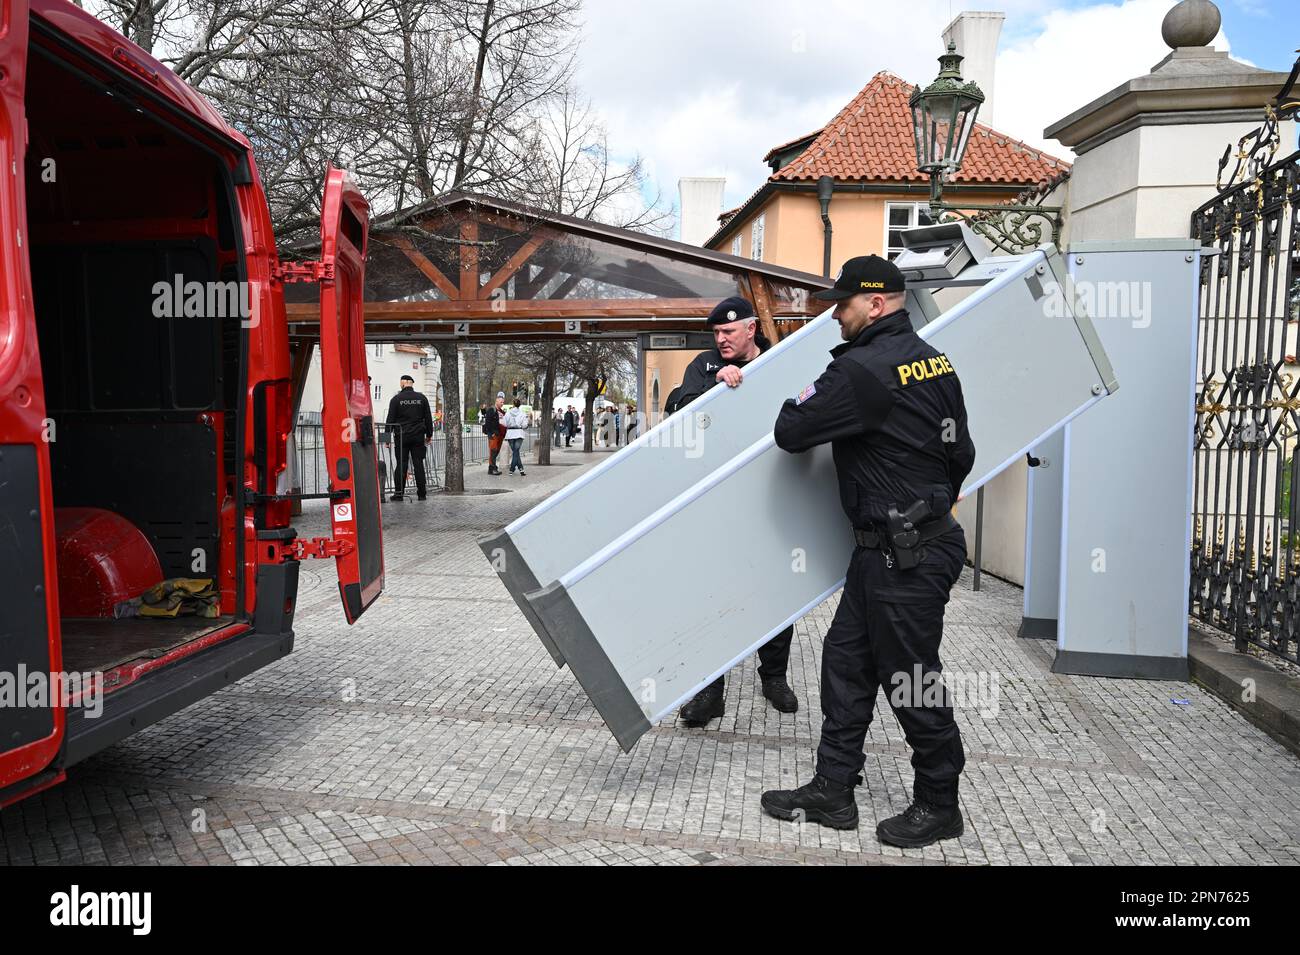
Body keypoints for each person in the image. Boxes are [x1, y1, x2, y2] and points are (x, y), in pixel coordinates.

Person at [759, 255, 975, 847]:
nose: (836, 315)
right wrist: (929, 501)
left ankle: (939, 802)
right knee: (847, 663)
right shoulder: (935, 361)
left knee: (911, 678)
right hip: (899, 547)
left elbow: (791, 428)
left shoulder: (864, 369)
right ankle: (833, 788)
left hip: (903, 555)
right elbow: (961, 452)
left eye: (844, 304)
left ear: (876, 303)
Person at [673, 295, 799, 725]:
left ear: (751, 329)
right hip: (719, 503)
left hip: (771, 497)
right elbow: (680, 413)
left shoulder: (780, 360)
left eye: (729, 331)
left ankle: (774, 677)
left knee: (775, 593)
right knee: (714, 595)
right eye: (716, 333)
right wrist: (715, 389)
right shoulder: (704, 366)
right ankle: (710, 692)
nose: (721, 339)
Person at [385, 374, 432, 501]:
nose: (400, 384)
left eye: (401, 382)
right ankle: (422, 494)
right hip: (418, 436)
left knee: (401, 464)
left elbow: (390, 419)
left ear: (404, 382)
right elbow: (428, 418)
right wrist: (429, 435)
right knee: (418, 464)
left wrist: (385, 439)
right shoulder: (422, 398)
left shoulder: (396, 399)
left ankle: (399, 494)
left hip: (402, 436)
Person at [503, 398, 529, 476]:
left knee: (515, 452)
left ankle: (515, 469)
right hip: (519, 433)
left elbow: (505, 423)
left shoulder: (508, 413)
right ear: (519, 405)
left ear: (513, 404)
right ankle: (517, 469)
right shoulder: (523, 413)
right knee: (516, 452)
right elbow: (525, 425)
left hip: (510, 433)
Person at [483, 392, 506, 475]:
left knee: (496, 451)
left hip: (500, 434)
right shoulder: (491, 410)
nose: (502, 403)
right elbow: (487, 422)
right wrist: (491, 433)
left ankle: (492, 468)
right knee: (493, 450)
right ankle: (492, 469)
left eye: (503, 402)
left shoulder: (502, 412)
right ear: (496, 401)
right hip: (493, 434)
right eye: (501, 402)